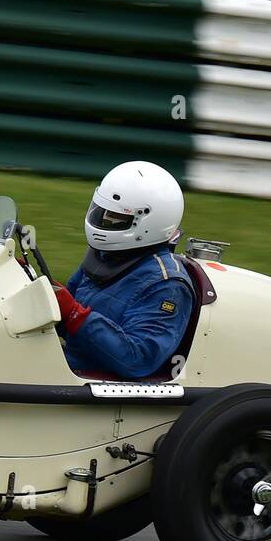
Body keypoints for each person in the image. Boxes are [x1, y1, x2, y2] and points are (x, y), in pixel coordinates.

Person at [52, 161, 195, 379]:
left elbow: (137, 360)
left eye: (117, 218)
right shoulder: (106, 257)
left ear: (149, 222)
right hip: (66, 365)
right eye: (104, 213)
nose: (105, 221)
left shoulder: (167, 285)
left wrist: (74, 315)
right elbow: (63, 318)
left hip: (101, 390)